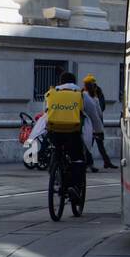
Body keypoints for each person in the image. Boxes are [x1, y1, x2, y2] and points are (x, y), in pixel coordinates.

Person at [28, 71, 98, 200]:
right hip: (73, 133)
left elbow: (46, 112)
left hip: (54, 132)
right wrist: (98, 130)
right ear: (74, 82)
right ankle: (75, 186)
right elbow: (93, 114)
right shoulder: (81, 94)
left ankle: (55, 174)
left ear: (60, 82)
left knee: (56, 152)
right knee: (78, 157)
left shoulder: (51, 93)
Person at [81, 74, 116, 170]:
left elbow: (101, 106)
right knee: (91, 144)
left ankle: (105, 162)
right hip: (95, 123)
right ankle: (92, 163)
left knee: (92, 144)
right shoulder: (87, 94)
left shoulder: (87, 93)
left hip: (90, 123)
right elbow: (100, 109)